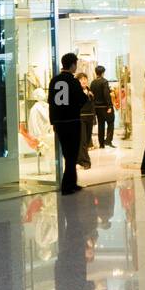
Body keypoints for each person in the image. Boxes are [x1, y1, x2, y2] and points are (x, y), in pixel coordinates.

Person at [48, 52, 89, 195]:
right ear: (72, 65)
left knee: (67, 153)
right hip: (72, 121)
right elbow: (82, 100)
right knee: (72, 154)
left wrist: (53, 121)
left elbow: (51, 102)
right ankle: (67, 185)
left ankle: (72, 183)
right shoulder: (73, 81)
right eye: (75, 64)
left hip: (59, 122)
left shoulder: (54, 80)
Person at [90, 65, 115, 148]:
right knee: (110, 122)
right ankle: (108, 141)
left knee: (101, 125)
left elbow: (92, 95)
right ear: (103, 72)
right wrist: (110, 106)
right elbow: (106, 95)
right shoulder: (104, 81)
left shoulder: (92, 82)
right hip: (105, 107)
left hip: (97, 108)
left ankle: (101, 144)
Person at [77, 73, 95, 168]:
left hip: (89, 117)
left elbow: (92, 106)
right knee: (83, 140)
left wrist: (94, 118)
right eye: (81, 79)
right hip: (80, 118)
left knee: (87, 141)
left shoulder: (89, 91)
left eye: (85, 79)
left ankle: (79, 159)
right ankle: (86, 162)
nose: (84, 81)